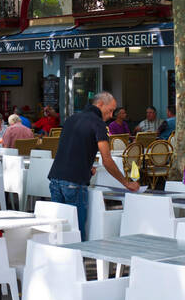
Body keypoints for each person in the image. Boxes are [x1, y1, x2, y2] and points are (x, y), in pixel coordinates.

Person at [48, 91, 141, 235]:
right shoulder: (98, 124)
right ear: (100, 104)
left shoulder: (72, 118)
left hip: (55, 177)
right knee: (76, 230)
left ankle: (60, 255)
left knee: (59, 229)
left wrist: (86, 165)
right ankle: (79, 257)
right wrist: (126, 183)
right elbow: (107, 160)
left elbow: (69, 147)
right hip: (74, 181)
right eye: (110, 110)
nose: (111, 115)